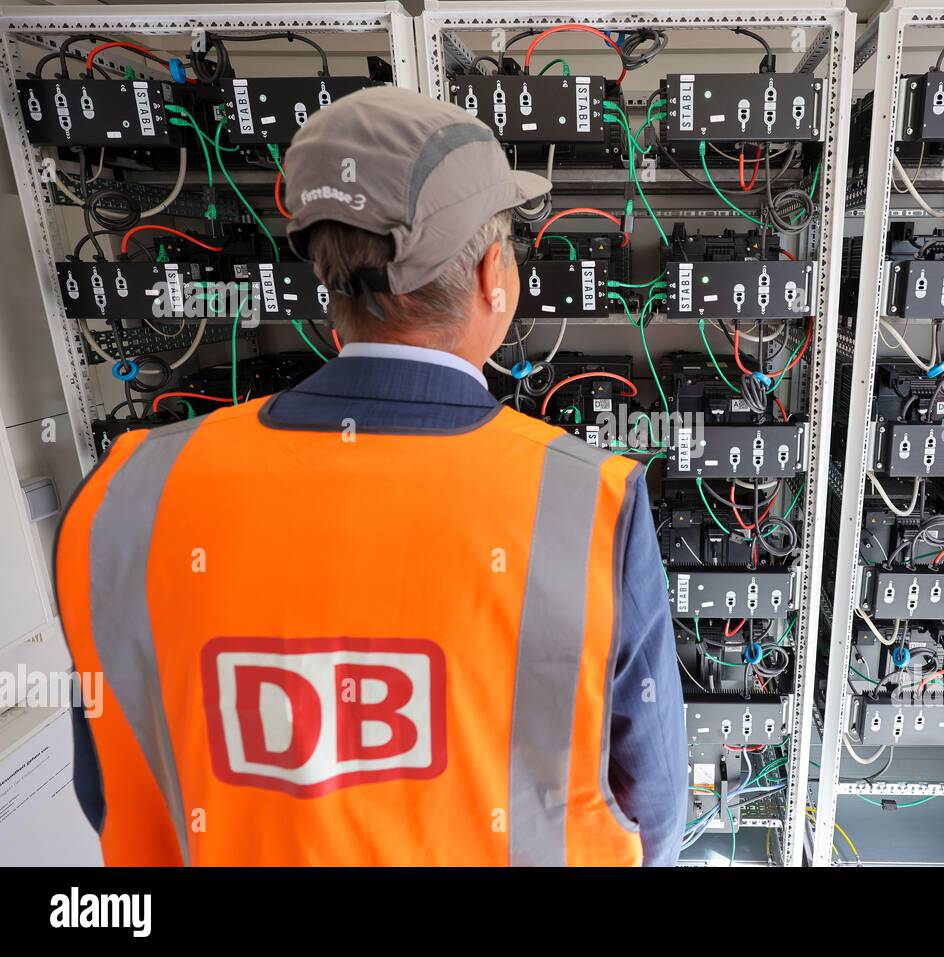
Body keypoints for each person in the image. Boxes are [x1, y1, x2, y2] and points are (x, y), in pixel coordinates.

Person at [55, 87, 686, 866]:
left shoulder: (123, 497)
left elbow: (109, 787)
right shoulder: (590, 504)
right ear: (497, 275)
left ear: (330, 291)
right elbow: (651, 808)